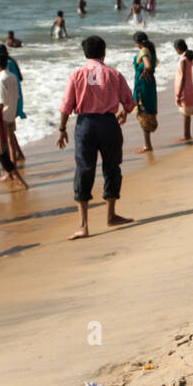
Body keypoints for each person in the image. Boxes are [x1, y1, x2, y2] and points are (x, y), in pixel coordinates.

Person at [56, 35, 135, 240]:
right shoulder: (114, 74)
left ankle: (83, 225)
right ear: (104, 52)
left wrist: (62, 128)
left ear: (85, 53)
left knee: (84, 170)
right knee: (112, 167)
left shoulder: (76, 74)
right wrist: (124, 111)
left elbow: (66, 105)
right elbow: (129, 103)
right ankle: (110, 215)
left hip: (86, 125)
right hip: (109, 124)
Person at [0, 51, 24, 166]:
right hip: (12, 111)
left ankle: (9, 168)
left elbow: (0, 101)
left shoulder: (1, 79)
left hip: (4, 113)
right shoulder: (13, 76)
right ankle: (13, 163)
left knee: (4, 142)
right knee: (10, 139)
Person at [131, 31, 159, 153]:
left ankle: (147, 145)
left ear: (137, 42)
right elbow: (152, 65)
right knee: (147, 110)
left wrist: (145, 72)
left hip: (143, 85)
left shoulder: (143, 51)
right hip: (149, 84)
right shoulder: (151, 51)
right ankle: (148, 144)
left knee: (143, 111)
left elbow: (147, 65)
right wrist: (147, 72)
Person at [173, 38, 193, 142]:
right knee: (186, 113)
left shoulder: (183, 60)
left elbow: (182, 77)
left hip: (183, 88)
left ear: (178, 49)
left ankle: (186, 135)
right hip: (189, 86)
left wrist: (178, 94)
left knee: (185, 113)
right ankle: (187, 134)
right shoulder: (188, 58)